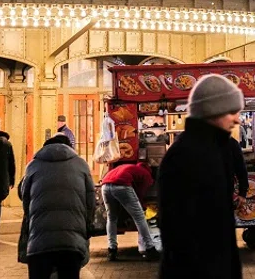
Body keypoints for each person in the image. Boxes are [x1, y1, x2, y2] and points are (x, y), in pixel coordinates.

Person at [158, 73, 245, 278]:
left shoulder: (213, 149)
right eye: (232, 111)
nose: (237, 119)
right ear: (213, 109)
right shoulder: (189, 155)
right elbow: (185, 236)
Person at [20, 133, 96, 278]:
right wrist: (87, 225)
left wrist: (31, 222)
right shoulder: (81, 164)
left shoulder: (33, 165)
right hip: (72, 241)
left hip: (39, 239)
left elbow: (25, 199)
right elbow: (90, 201)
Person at [101, 162, 159, 261]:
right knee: (140, 217)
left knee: (112, 218)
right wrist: (143, 206)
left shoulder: (129, 167)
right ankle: (150, 249)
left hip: (105, 186)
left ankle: (112, 250)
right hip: (121, 185)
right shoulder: (146, 175)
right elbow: (140, 193)